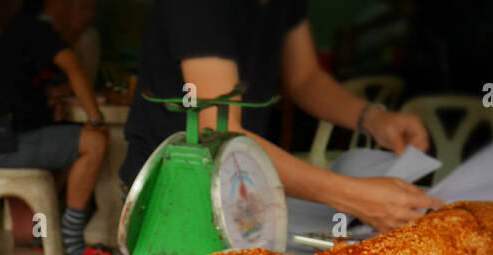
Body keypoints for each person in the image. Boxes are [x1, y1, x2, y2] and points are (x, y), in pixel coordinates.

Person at [121, 1, 439, 233]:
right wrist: (354, 196)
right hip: (171, 197)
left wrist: (373, 119)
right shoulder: (202, 8)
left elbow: (305, 80)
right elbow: (221, 132)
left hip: (238, 191)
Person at [0, 0, 111, 255]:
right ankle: (72, 240)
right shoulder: (36, 26)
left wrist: (51, 103)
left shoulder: (19, 29)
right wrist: (96, 119)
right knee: (94, 142)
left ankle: (44, 234)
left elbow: (26, 88)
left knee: (69, 146)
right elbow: (74, 68)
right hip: (6, 144)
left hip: (2, 140)